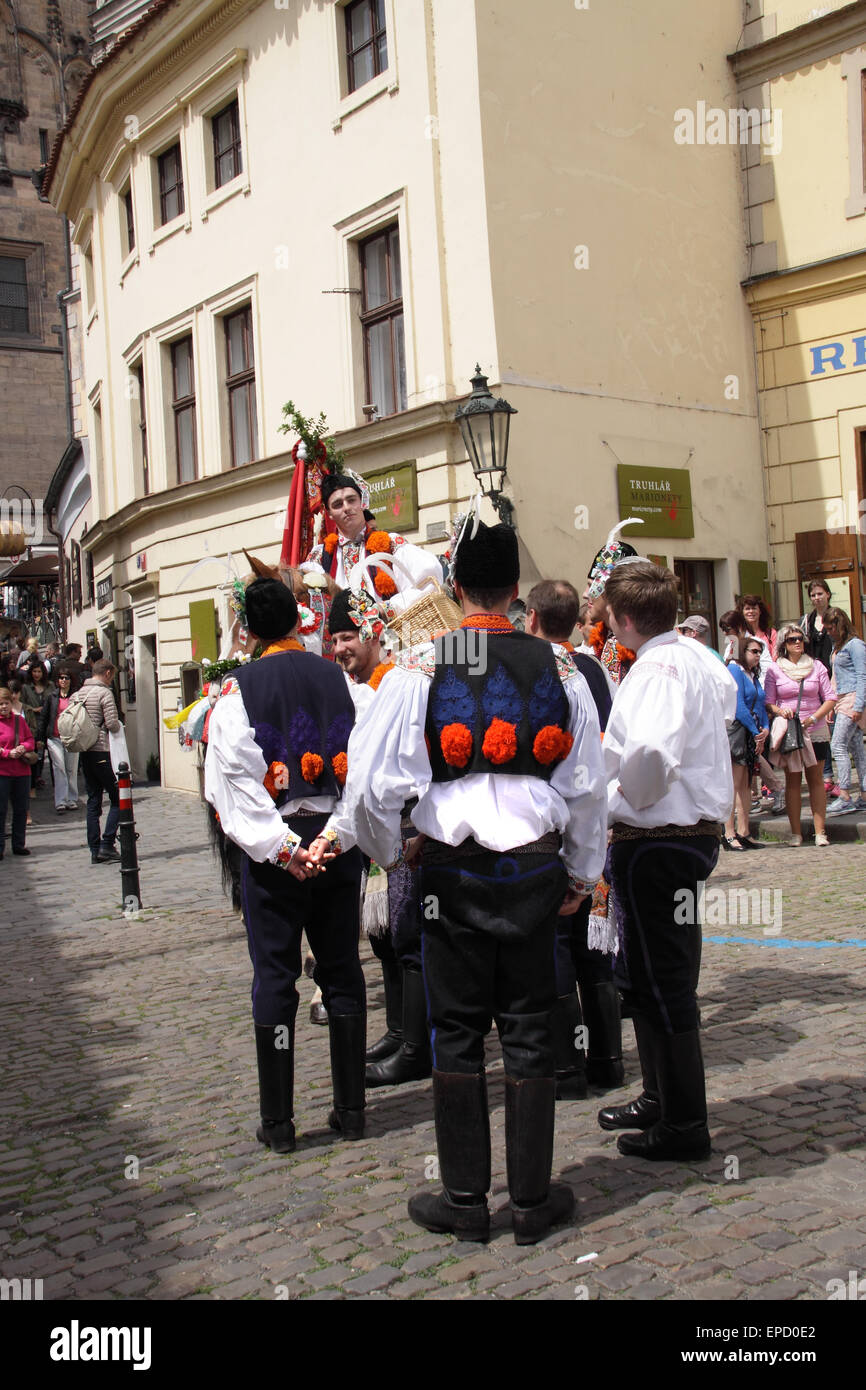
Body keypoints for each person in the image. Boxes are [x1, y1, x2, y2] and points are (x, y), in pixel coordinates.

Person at [310, 518, 607, 1244]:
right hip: (536, 867)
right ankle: (533, 1204)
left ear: (452, 585)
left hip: (451, 870)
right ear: (514, 590)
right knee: (533, 1030)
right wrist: (583, 872)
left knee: (457, 1031)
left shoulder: (420, 667)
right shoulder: (561, 667)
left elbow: (371, 789)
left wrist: (393, 851)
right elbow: (591, 788)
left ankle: (467, 1201)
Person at [204, 578, 366, 1152]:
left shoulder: (235, 691)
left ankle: (279, 1123)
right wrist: (334, 836)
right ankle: (351, 1110)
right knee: (342, 968)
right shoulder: (343, 680)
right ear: (300, 620)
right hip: (333, 843)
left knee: (275, 975)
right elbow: (367, 768)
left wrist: (281, 849)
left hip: (278, 851)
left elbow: (232, 782)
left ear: (246, 631)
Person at [597, 561, 736, 1162]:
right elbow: (726, 701)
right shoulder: (690, 656)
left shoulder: (655, 666)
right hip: (677, 837)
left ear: (624, 618)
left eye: (607, 614)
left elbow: (650, 750)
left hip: (659, 838)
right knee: (647, 977)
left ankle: (684, 1124)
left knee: (663, 980)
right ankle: (660, 1097)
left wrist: (628, 796)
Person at [325, 586, 430, 1088]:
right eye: (335, 640)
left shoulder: (397, 682)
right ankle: (397, 1030)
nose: (342, 648)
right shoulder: (354, 687)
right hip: (377, 826)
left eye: (348, 637)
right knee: (385, 937)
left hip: (404, 824)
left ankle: (417, 1046)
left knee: (409, 935)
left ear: (373, 634)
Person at [525, 579, 622, 1096]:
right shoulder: (594, 667)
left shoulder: (540, 668)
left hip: (557, 819)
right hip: (596, 813)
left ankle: (568, 1066)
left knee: (559, 940)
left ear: (534, 619)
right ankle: (607, 1059)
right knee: (594, 944)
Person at [300, 470, 442, 647]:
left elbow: (428, 582)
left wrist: (385, 609)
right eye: (337, 504)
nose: (346, 507)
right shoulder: (319, 556)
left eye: (351, 500)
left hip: (390, 644)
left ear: (361, 503)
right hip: (342, 652)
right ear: (329, 513)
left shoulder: (391, 543)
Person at [764, 624, 835, 846]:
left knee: (816, 778)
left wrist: (814, 717)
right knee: (793, 780)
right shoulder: (775, 669)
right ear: (784, 644)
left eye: (800, 639)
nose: (797, 642)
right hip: (792, 730)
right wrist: (780, 711)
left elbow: (830, 697)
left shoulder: (817, 667)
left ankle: (820, 832)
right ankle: (796, 833)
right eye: (792, 639)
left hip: (814, 728)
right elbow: (769, 701)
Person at [722, 638, 769, 851]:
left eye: (760, 651)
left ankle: (744, 831)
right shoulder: (735, 669)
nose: (758, 655)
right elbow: (738, 704)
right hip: (738, 730)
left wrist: (765, 727)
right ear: (743, 651)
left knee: (746, 784)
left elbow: (760, 701)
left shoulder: (753, 674)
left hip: (752, 731)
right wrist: (755, 731)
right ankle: (729, 833)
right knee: (734, 782)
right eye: (754, 651)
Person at [78, 659, 123, 864]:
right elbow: (112, 723)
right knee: (118, 798)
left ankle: (94, 850)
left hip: (84, 751)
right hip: (102, 751)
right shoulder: (104, 693)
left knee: (93, 801)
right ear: (106, 673)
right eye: (112, 675)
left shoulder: (78, 694)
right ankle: (107, 844)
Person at [823, 608, 866, 817]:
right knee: (857, 748)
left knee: (837, 745)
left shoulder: (856, 645)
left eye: (831, 628)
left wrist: (859, 706)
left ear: (840, 625)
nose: (829, 632)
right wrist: (832, 702)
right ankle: (864, 796)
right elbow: (835, 675)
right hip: (841, 699)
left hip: (852, 698)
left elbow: (862, 675)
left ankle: (845, 794)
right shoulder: (838, 646)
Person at [38, 666, 81, 812]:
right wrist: (40, 737)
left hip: (72, 737)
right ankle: (61, 800)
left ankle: (72, 798)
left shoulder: (76, 696)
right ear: (57, 680)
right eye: (61, 677)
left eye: (66, 677)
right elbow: (44, 718)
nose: (63, 680)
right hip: (54, 737)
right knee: (59, 767)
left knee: (71, 769)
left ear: (70, 680)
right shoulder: (51, 697)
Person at [0, 686, 36, 857]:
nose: (3, 707)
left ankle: (18, 844)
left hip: (22, 771)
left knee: (21, 809)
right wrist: (7, 753)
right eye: (0, 704)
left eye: (6, 703)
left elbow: (30, 740)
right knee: (1, 810)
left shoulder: (18, 721)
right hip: (2, 772)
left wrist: (23, 747)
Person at [21, 659, 54, 791]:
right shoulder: (25, 687)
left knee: (53, 757)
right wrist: (33, 709)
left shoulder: (50, 685)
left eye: (39, 671)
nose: (36, 674)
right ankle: (34, 783)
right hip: (33, 724)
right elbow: (21, 703)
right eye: (34, 671)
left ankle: (56, 785)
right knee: (35, 756)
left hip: (48, 723)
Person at [737, 594, 777, 674]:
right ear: (742, 612)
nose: (751, 611)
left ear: (760, 611)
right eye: (747, 609)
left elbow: (775, 658)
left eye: (754, 608)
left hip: (767, 677)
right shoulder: (737, 634)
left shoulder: (771, 633)